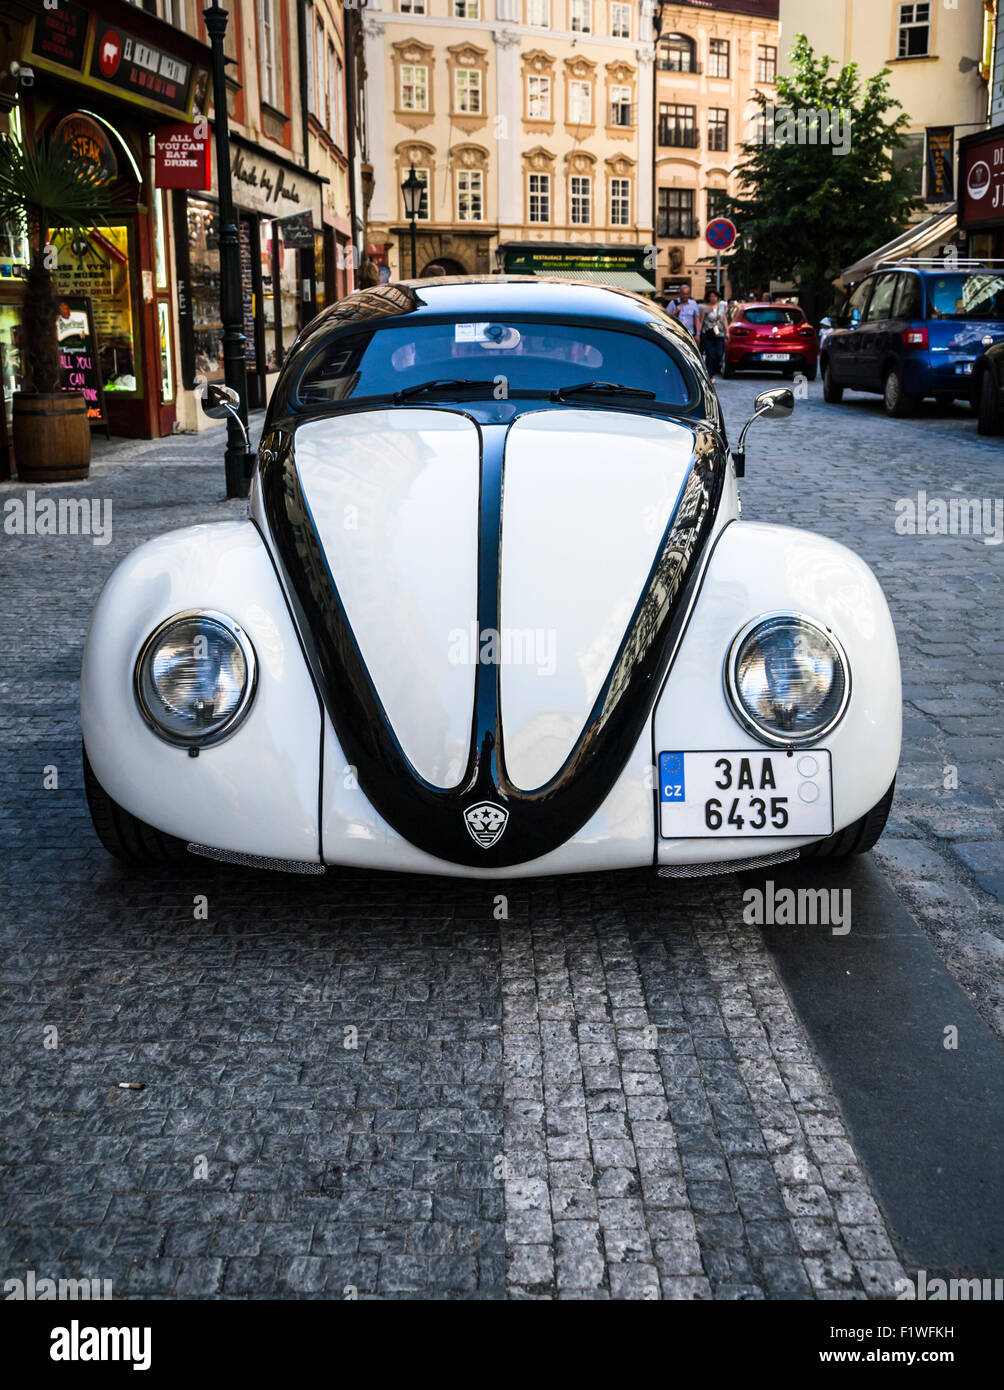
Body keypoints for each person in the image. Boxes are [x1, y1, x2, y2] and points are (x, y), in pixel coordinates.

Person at [700, 288, 727, 378]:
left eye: (714, 296)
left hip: (719, 333)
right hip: (708, 333)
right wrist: (698, 333)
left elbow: (724, 319)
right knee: (709, 354)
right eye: (711, 296)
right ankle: (710, 374)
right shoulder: (705, 308)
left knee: (719, 354)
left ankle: (715, 370)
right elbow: (701, 321)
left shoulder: (721, 307)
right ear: (708, 298)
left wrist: (727, 331)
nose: (713, 298)